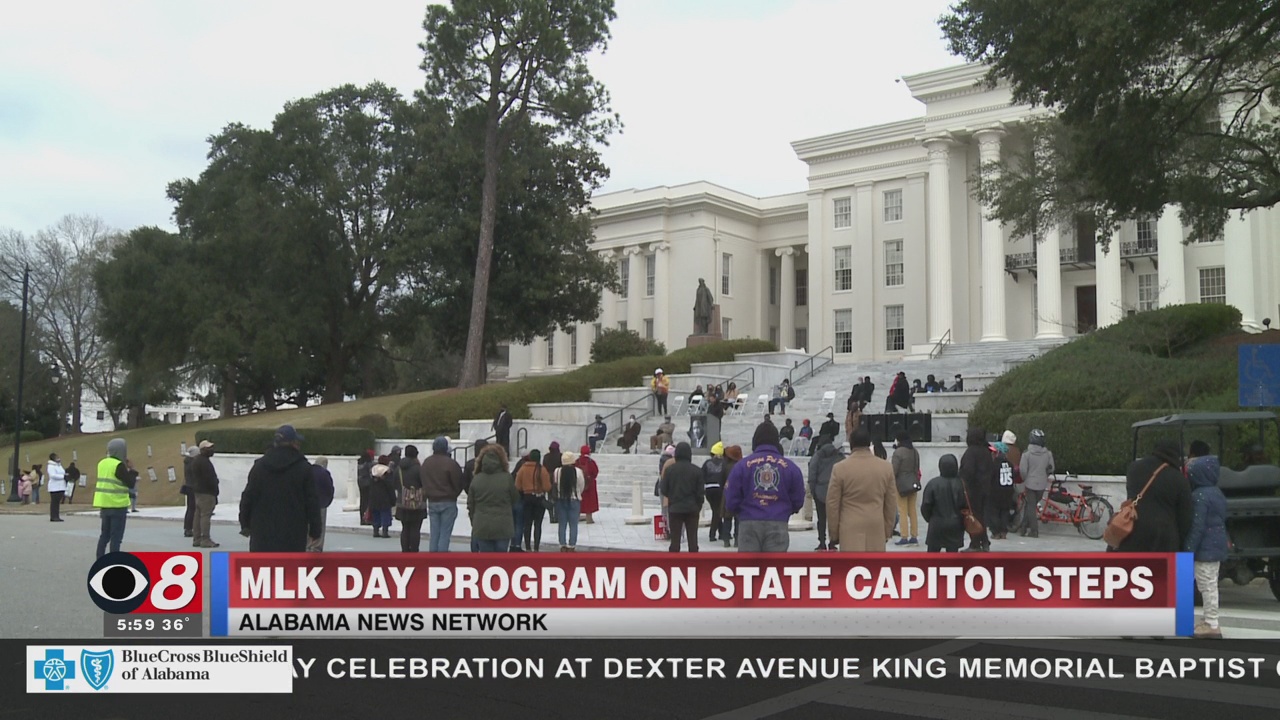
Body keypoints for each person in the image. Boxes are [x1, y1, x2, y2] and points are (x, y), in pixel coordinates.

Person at [724, 421, 805, 552]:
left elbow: (731, 497)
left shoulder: (741, 466)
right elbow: (798, 498)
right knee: (774, 570)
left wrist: (742, 512)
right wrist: (784, 511)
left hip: (748, 522)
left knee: (748, 570)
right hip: (778, 522)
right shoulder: (791, 468)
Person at [238, 426, 322, 552]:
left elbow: (248, 497)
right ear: (294, 443)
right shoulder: (303, 468)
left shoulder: (259, 467)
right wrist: (315, 530)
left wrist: (245, 523)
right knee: (289, 570)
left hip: (262, 533)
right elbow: (312, 501)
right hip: (293, 533)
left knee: (262, 570)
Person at [827, 427, 898, 552]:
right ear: (869, 443)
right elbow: (891, 503)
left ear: (851, 444)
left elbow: (832, 504)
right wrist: (887, 531)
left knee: (852, 567)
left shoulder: (840, 468)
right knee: (875, 568)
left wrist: (834, 533)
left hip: (849, 525)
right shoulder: (886, 467)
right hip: (875, 524)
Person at [1114, 440, 1192, 553]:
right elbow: (1185, 518)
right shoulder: (1179, 479)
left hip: (1132, 529)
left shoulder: (1134, 468)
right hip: (1163, 538)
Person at [1184, 440, 1227, 638]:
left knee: (1207, 585)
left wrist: (1189, 548)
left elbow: (1197, 526)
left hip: (1205, 548)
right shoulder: (1217, 492)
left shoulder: (1199, 495)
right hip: (1216, 544)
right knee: (1210, 583)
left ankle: (1211, 624)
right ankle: (1208, 620)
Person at [468, 444, 519, 552]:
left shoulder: (476, 479)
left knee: (486, 560)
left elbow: (471, 504)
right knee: (501, 561)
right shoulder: (507, 478)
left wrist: (474, 520)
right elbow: (515, 499)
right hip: (503, 525)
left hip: (482, 525)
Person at [93, 438, 138, 558]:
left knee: (104, 535)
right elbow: (130, 483)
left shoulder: (102, 463)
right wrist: (132, 470)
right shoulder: (118, 465)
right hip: (117, 504)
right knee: (116, 537)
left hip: (105, 503)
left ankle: (100, 559)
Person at [661, 442, 705, 552]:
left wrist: (672, 498)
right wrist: (698, 506)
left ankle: (675, 565)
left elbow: (664, 489)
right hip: (692, 509)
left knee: (675, 542)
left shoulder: (670, 470)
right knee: (693, 542)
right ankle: (694, 565)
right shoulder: (697, 471)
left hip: (675, 508)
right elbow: (700, 493)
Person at [423, 438, 464, 552]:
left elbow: (423, 480)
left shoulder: (427, 462)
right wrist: (454, 494)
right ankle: (442, 555)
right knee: (445, 532)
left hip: (432, 500)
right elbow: (458, 481)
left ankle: (433, 554)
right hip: (448, 500)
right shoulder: (451, 463)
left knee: (434, 532)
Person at [920, 454, 967, 552]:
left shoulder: (932, 483)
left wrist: (931, 519)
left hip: (937, 523)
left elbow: (926, 506)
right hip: (955, 524)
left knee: (933, 557)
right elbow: (965, 504)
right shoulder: (961, 484)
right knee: (952, 560)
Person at [959, 428, 994, 552]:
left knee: (974, 516)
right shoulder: (986, 451)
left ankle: (975, 543)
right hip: (986, 488)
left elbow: (968, 471)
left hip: (974, 489)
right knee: (981, 516)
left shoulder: (971, 452)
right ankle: (984, 542)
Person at [808, 435, 845, 550]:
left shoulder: (817, 456)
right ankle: (833, 542)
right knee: (834, 518)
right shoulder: (839, 456)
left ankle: (822, 542)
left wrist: (814, 491)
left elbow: (812, 475)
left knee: (821, 519)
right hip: (836, 492)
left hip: (820, 491)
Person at [1018, 429, 1055, 538]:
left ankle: (1034, 531)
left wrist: (1026, 479)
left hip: (1030, 484)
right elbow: (1051, 468)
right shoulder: (1048, 454)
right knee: (1031, 505)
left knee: (1030, 507)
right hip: (1042, 484)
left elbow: (1023, 470)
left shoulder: (1026, 454)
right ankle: (1023, 528)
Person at [516, 448, 551, 552]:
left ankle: (527, 547)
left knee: (527, 524)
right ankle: (536, 547)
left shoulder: (523, 468)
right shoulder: (542, 469)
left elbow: (517, 485)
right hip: (539, 499)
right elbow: (547, 487)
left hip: (527, 498)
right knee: (538, 524)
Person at [891, 430, 921, 545]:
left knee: (902, 510)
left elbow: (894, 470)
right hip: (913, 482)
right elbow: (917, 467)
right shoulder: (914, 451)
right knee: (912, 510)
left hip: (901, 485)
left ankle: (904, 536)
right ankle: (914, 535)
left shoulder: (898, 452)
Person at [191, 439, 221, 548]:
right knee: (205, 515)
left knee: (198, 515)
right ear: (203, 450)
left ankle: (197, 538)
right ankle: (205, 539)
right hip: (207, 492)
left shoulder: (197, 460)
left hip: (198, 491)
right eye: (209, 448)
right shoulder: (204, 462)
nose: (212, 450)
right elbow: (209, 479)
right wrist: (215, 489)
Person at [397, 445, 427, 552]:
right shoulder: (419, 468)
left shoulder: (399, 468)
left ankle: (404, 550)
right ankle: (414, 550)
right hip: (417, 502)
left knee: (405, 528)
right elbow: (425, 483)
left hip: (402, 501)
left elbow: (395, 483)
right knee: (415, 528)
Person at [553, 450, 583, 551]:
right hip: (574, 499)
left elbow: (555, 484)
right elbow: (581, 485)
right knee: (573, 524)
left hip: (561, 499)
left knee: (562, 524)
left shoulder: (557, 471)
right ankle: (572, 545)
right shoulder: (578, 471)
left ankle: (562, 544)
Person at [367, 452, 399, 539]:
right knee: (385, 514)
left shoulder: (372, 471)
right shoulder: (387, 472)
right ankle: (385, 531)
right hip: (384, 498)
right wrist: (393, 499)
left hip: (373, 496)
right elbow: (390, 486)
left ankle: (376, 530)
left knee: (375, 513)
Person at [702, 442, 728, 543]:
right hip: (719, 489)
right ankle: (712, 534)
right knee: (717, 512)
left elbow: (702, 475)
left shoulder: (707, 463)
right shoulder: (724, 463)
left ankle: (721, 533)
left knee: (716, 510)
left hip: (708, 489)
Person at [308, 456, 335, 552]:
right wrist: (328, 501)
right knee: (320, 525)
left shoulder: (308, 471)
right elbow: (330, 488)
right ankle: (316, 546)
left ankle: (308, 544)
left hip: (307, 503)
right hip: (321, 503)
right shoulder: (324, 473)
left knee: (308, 524)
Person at [720, 445, 743, 547]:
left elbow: (721, 480)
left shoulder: (726, 466)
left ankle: (726, 540)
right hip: (740, 495)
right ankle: (737, 540)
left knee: (727, 518)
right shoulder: (742, 466)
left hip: (728, 494)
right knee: (738, 519)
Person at [576, 445, 600, 524]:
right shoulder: (591, 462)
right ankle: (589, 517)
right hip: (590, 484)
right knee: (589, 501)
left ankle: (577, 515)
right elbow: (595, 472)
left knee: (579, 500)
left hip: (579, 484)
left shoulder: (577, 461)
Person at [543, 442, 564, 524]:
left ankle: (551, 516)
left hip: (548, 478)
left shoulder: (546, 457)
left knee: (550, 497)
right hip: (558, 477)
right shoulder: (560, 456)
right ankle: (557, 516)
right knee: (558, 498)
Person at [181, 446, 198, 537]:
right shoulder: (192, 464)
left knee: (190, 509)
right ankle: (189, 528)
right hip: (193, 487)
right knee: (192, 509)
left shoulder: (187, 462)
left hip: (189, 487)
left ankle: (188, 528)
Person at [46, 452, 67, 522]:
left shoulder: (59, 465)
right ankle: (53, 516)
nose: (59, 458)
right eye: (57, 457)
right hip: (54, 487)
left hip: (61, 486)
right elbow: (53, 475)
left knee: (57, 502)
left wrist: (66, 475)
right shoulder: (51, 466)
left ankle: (57, 516)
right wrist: (63, 477)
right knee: (54, 502)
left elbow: (62, 472)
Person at [357, 449, 374, 525]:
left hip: (361, 483)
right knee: (368, 501)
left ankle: (362, 518)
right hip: (368, 484)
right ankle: (368, 518)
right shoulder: (369, 464)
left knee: (362, 501)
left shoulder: (360, 463)